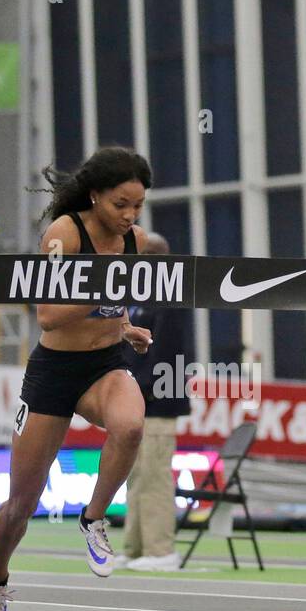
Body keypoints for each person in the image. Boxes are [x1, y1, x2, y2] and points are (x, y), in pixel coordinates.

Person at [0, 147, 153, 611]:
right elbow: (50, 314)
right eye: (121, 204)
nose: (129, 215)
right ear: (95, 196)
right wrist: (107, 293)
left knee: (131, 425)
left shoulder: (133, 240)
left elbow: (115, 305)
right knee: (21, 505)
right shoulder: (65, 235)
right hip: (54, 372)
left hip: (104, 366)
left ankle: (93, 517)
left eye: (138, 205)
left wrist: (125, 328)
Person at [115, 231, 191, 572]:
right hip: (137, 397)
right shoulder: (139, 297)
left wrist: (143, 387)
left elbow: (168, 352)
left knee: (154, 475)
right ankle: (134, 547)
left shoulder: (169, 298)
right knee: (134, 473)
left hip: (159, 400)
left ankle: (162, 551)